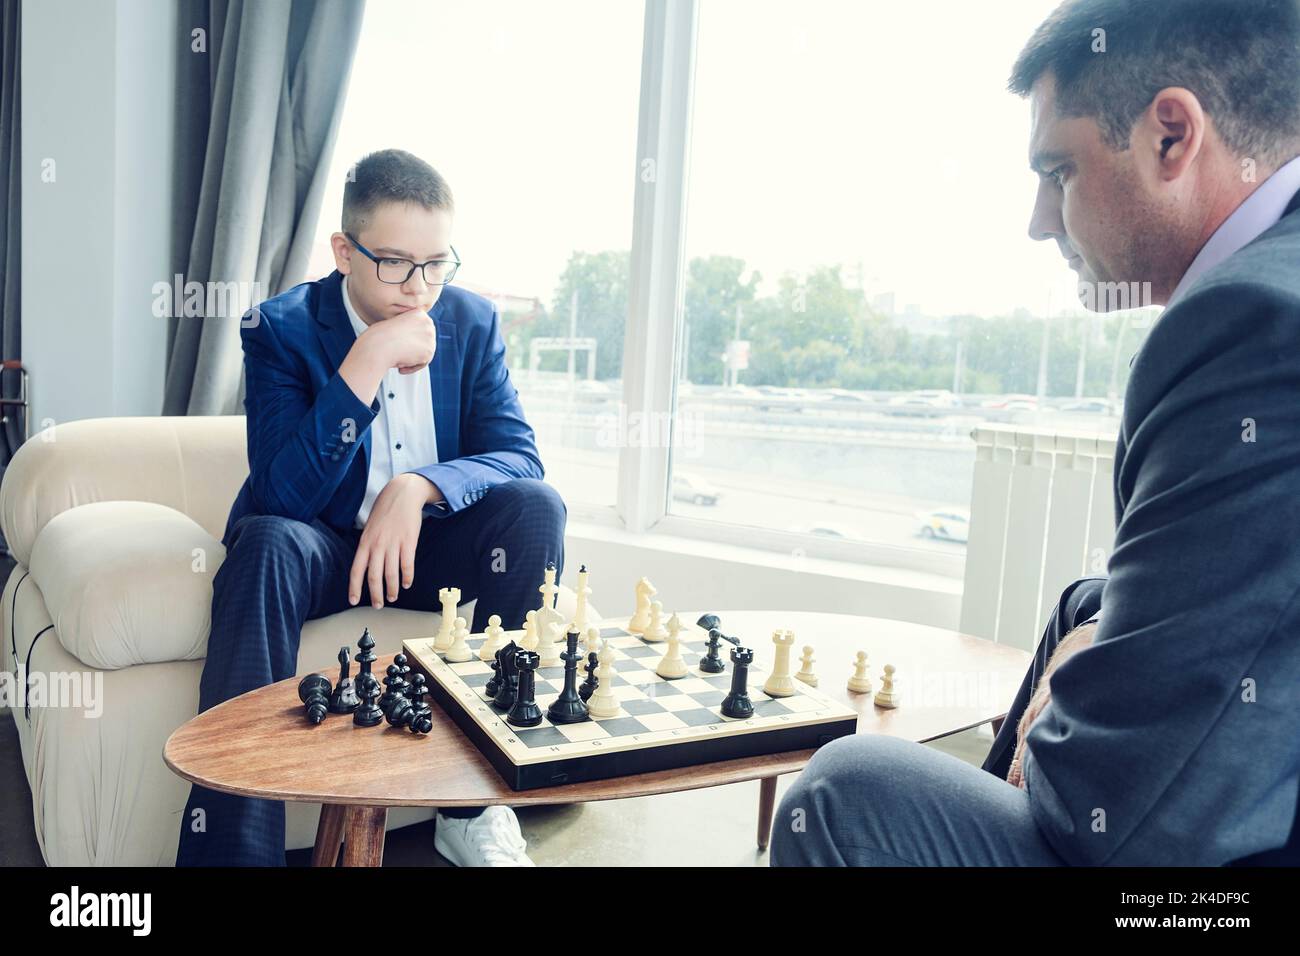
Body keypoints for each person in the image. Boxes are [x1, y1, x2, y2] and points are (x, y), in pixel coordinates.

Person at [772, 0, 1300, 867]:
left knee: (848, 792)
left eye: (1058, 171)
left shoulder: (1250, 322)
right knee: (1081, 606)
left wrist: (1058, 746)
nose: (1040, 221)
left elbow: (1131, 812)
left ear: (1172, 135)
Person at [177, 149, 564, 867]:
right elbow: (285, 493)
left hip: (426, 548)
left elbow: (519, 457)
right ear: (344, 252)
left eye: (435, 264)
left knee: (535, 510)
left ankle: (472, 807)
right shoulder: (281, 328)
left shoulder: (473, 322)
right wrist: (367, 360)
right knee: (265, 542)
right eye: (393, 263)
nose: (419, 289)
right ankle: (235, 851)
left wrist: (417, 487)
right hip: (322, 550)